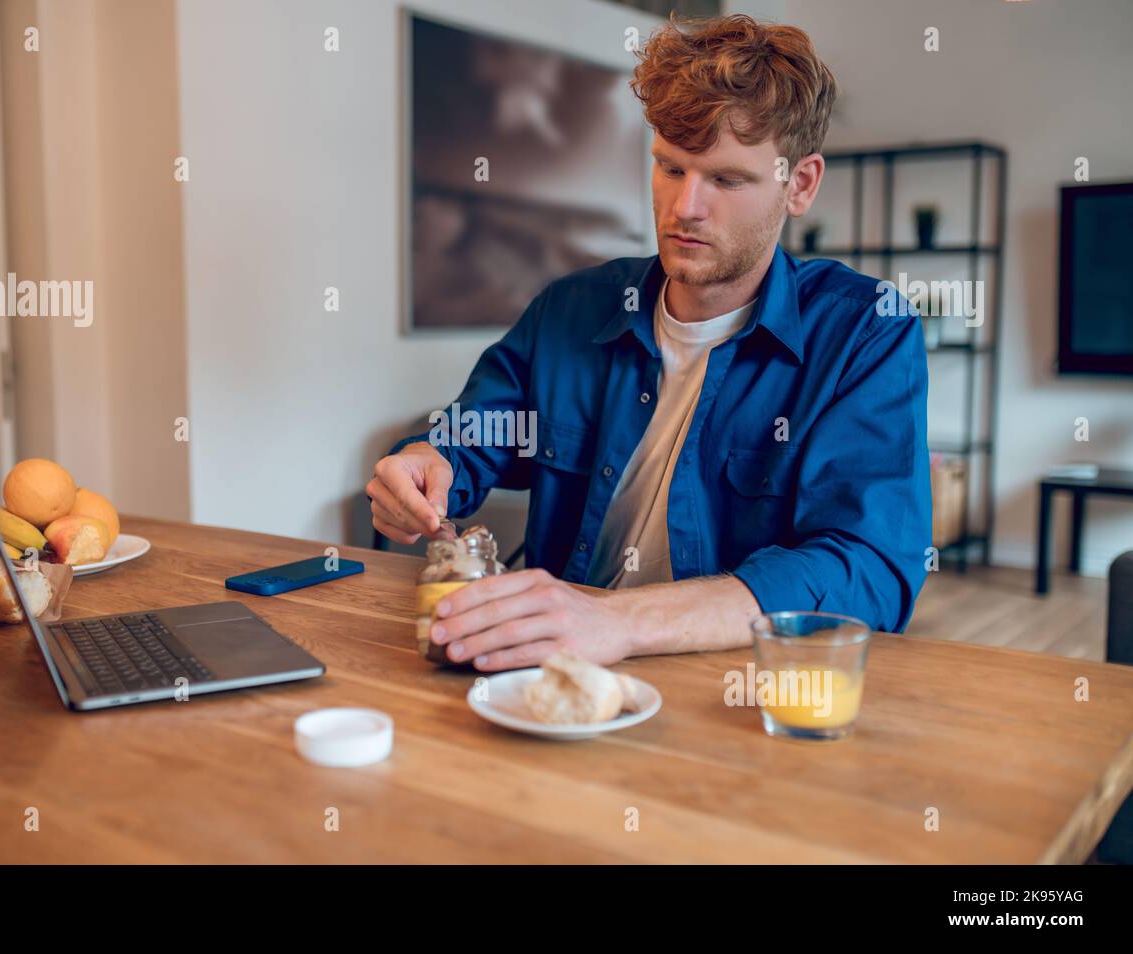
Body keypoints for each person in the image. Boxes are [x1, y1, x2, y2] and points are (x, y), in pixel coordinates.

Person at [366, 13, 931, 672]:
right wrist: (426, 466)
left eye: (725, 179)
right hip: (553, 676)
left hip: (733, 685)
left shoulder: (866, 333)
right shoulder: (571, 310)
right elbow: (476, 434)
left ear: (799, 184)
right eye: (669, 167)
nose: (685, 207)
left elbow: (869, 568)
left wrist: (616, 620)